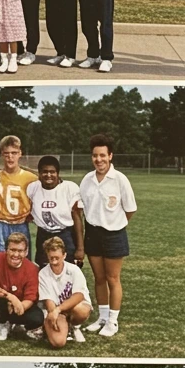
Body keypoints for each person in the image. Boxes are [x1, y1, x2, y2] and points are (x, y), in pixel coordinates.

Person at [78, 134, 136, 339]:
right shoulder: (87, 180)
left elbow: (130, 209)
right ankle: (102, 317)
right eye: (95, 156)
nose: (99, 159)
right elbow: (81, 207)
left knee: (113, 278)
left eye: (103, 155)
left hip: (114, 234)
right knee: (99, 278)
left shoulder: (120, 179)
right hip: (93, 233)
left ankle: (113, 320)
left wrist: (115, 224)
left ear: (110, 156)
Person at [0, 233, 44, 340]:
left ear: (26, 252)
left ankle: (14, 323)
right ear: (6, 250)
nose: (16, 254)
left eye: (20, 251)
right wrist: (11, 298)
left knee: (37, 318)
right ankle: (1, 323)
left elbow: (30, 297)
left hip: (20, 302)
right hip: (1, 301)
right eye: (12, 250)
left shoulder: (32, 269)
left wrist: (19, 307)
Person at [27, 155, 84, 268]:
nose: (48, 175)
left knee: (67, 268)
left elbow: (77, 218)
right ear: (39, 173)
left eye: (52, 172)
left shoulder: (69, 188)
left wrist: (80, 248)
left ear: (58, 173)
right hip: (43, 234)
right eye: (45, 172)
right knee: (44, 269)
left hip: (65, 233)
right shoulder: (33, 188)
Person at [35, 236, 92, 347]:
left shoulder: (74, 270)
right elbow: (48, 301)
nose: (54, 261)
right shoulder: (43, 273)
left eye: (57, 257)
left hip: (72, 308)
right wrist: (54, 314)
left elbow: (79, 295)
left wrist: (58, 309)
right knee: (58, 342)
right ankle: (56, 327)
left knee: (81, 310)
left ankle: (74, 326)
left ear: (64, 255)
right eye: (51, 257)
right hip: (56, 310)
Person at [0, 134, 37, 254]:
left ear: (20, 153)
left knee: (20, 259)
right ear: (2, 154)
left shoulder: (31, 178)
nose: (10, 157)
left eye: (14, 153)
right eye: (6, 153)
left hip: (20, 224)